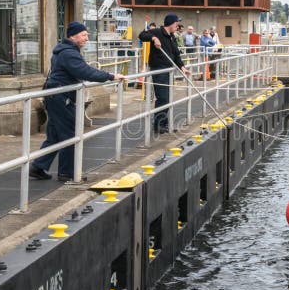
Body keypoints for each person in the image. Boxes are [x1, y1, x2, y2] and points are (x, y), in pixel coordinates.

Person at [30, 22, 126, 182]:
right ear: (73, 36)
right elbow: (85, 71)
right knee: (70, 134)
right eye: (83, 35)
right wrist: (111, 76)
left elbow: (80, 70)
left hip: (55, 96)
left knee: (54, 135)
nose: (87, 38)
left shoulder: (64, 50)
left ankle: (38, 166)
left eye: (87, 35)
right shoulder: (69, 53)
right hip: (62, 98)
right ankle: (67, 173)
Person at [139, 14, 191, 134]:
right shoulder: (157, 32)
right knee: (163, 98)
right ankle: (159, 124)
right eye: (176, 24)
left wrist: (182, 67)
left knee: (167, 98)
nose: (177, 26)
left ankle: (164, 122)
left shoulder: (172, 37)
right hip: (159, 70)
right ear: (171, 23)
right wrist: (153, 39)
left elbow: (176, 55)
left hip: (168, 70)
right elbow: (142, 35)